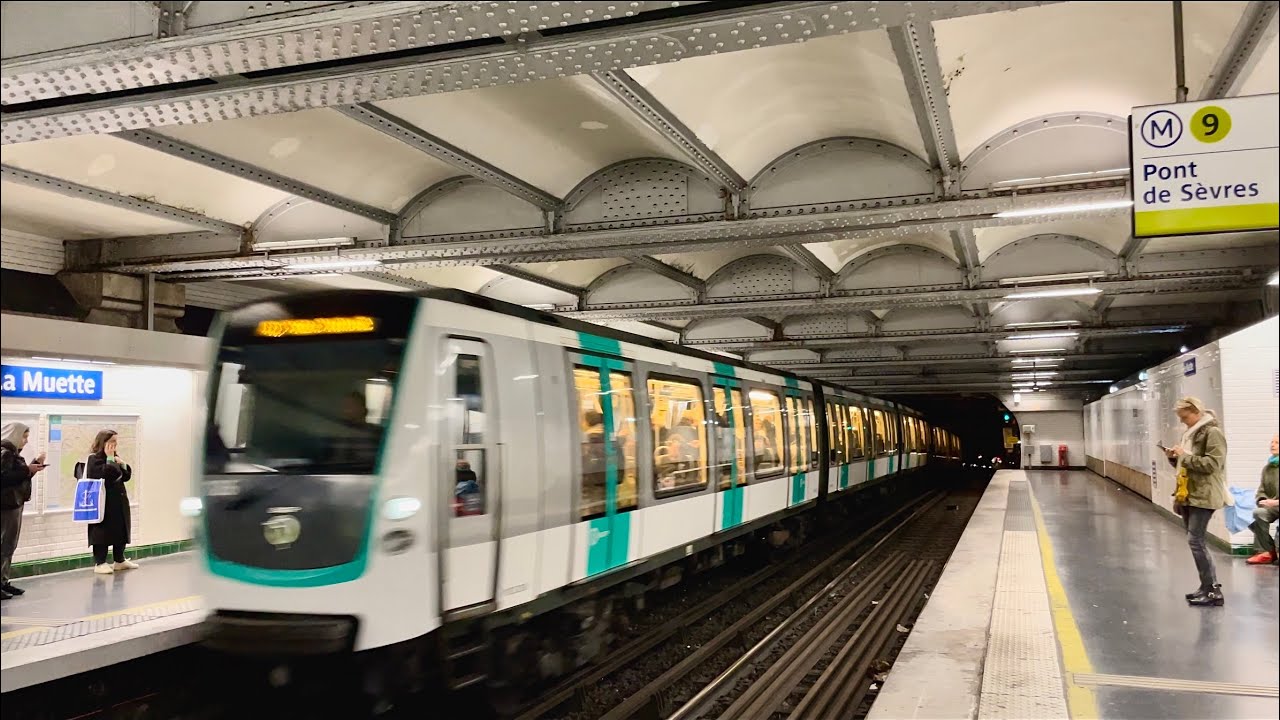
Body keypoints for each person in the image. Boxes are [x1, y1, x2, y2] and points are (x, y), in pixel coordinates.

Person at [1164, 397, 1228, 607]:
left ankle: (1212, 591)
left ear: (1196, 412)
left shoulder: (1213, 433)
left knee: (1196, 541)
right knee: (1195, 542)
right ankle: (1206, 586)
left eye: (1185, 417)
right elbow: (1186, 464)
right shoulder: (1191, 434)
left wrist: (1185, 456)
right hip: (1189, 494)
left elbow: (1213, 464)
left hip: (1204, 495)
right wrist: (1174, 457)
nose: (1183, 422)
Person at [2, 422, 46, 600]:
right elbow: (5, 478)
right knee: (4, 544)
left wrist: (32, 467)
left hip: (14, 504)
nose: (26, 441)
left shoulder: (12, 454)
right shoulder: (5, 453)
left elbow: (18, 475)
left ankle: (4, 581)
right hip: (6, 506)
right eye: (24, 436)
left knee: (9, 545)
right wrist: (28, 469)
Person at [86, 429, 137, 575]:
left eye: (116, 442)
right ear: (103, 442)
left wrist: (122, 464)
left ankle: (119, 560)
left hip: (118, 500)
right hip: (103, 503)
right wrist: (109, 460)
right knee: (102, 532)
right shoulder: (94, 459)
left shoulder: (115, 457)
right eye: (112, 441)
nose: (115, 445)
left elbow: (125, 476)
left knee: (121, 529)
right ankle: (100, 562)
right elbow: (105, 475)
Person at [1245, 433, 1279, 565]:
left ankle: (1274, 551)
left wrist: (1275, 502)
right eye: (1272, 442)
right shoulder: (1267, 468)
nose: (1272, 445)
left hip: (1276, 504)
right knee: (1257, 513)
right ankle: (1267, 551)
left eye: (1277, 443)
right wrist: (1262, 500)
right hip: (1272, 507)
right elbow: (1261, 489)